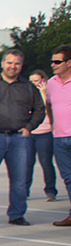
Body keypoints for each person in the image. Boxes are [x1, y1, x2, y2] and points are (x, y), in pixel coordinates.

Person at [0, 50, 44, 225]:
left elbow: (40, 110)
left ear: (22, 65)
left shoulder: (29, 87)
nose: (13, 67)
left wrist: (29, 128)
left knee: (19, 181)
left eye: (17, 63)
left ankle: (17, 214)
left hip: (19, 139)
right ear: (2, 64)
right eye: (10, 63)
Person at [47, 46, 71, 227]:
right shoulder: (51, 83)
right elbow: (48, 105)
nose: (53, 65)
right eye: (52, 61)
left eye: (57, 61)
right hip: (59, 137)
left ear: (69, 63)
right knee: (68, 178)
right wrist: (54, 124)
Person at [25, 69, 57, 203]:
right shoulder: (27, 94)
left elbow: (44, 109)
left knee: (46, 163)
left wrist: (43, 93)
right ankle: (24, 190)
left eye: (36, 81)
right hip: (31, 133)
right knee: (27, 163)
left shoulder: (49, 94)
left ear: (44, 81)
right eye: (31, 81)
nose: (33, 84)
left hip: (45, 133)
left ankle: (50, 191)